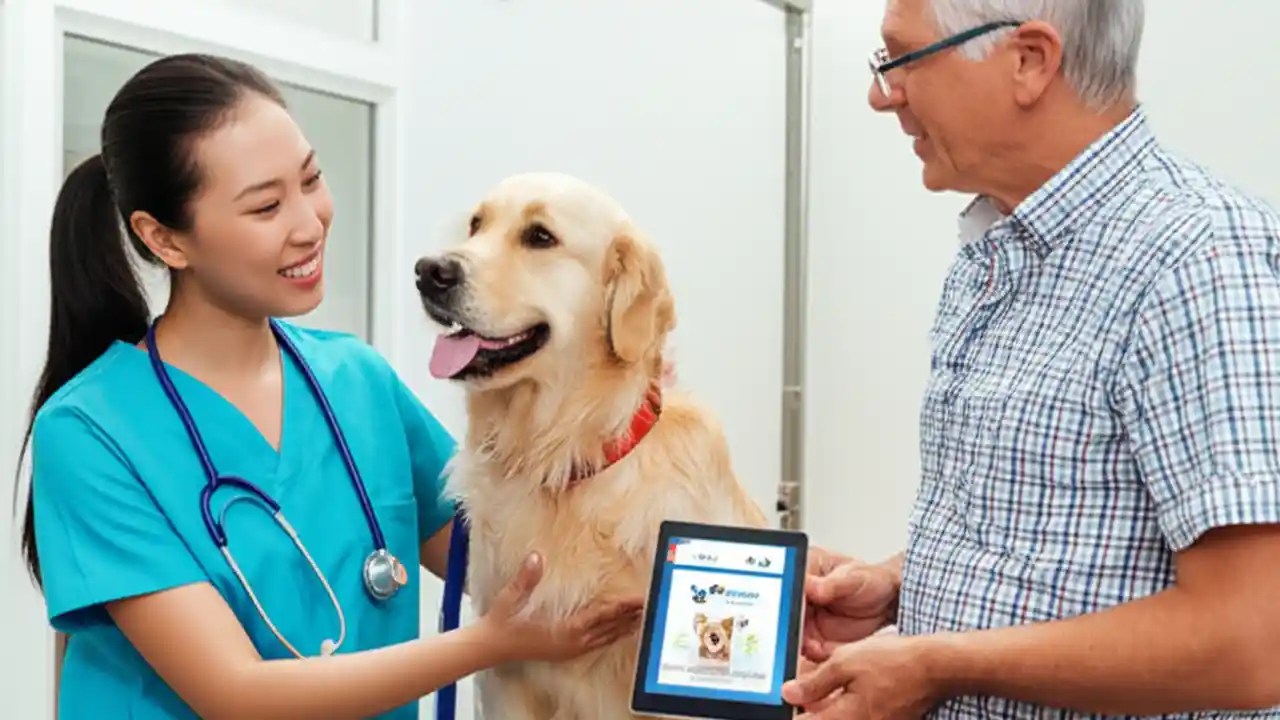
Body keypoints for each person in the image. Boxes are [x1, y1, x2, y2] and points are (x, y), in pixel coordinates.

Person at [15, 53, 642, 719]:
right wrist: (488, 643)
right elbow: (236, 694)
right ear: (165, 239)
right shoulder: (90, 430)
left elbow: (525, 561)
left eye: (311, 179)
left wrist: (632, 431)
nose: (309, 224)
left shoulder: (356, 381)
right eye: (265, 206)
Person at [783, 1, 1280, 718]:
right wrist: (903, 587)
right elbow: (1060, 542)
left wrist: (935, 665)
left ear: (1029, 61)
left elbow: (1251, 637)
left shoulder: (1201, 263)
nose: (880, 93)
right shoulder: (997, 251)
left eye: (900, 59)